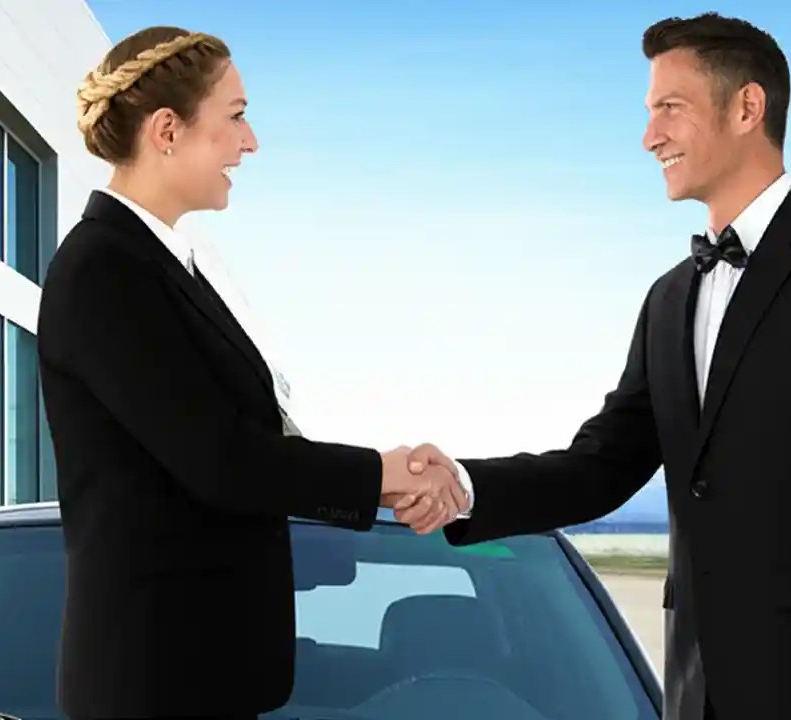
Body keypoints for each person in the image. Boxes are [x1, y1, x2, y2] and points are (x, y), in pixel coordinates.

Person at [398, 12, 791, 720]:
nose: (649, 136)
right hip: (699, 691)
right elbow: (602, 464)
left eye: (669, 109)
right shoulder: (669, 298)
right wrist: (463, 485)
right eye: (650, 112)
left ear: (748, 107)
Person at [36, 26, 468, 720]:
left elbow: (241, 445)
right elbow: (220, 459)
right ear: (168, 131)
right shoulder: (102, 271)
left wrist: (380, 485)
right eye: (235, 117)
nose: (251, 141)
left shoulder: (165, 268)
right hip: (154, 687)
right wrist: (380, 474)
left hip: (197, 681)